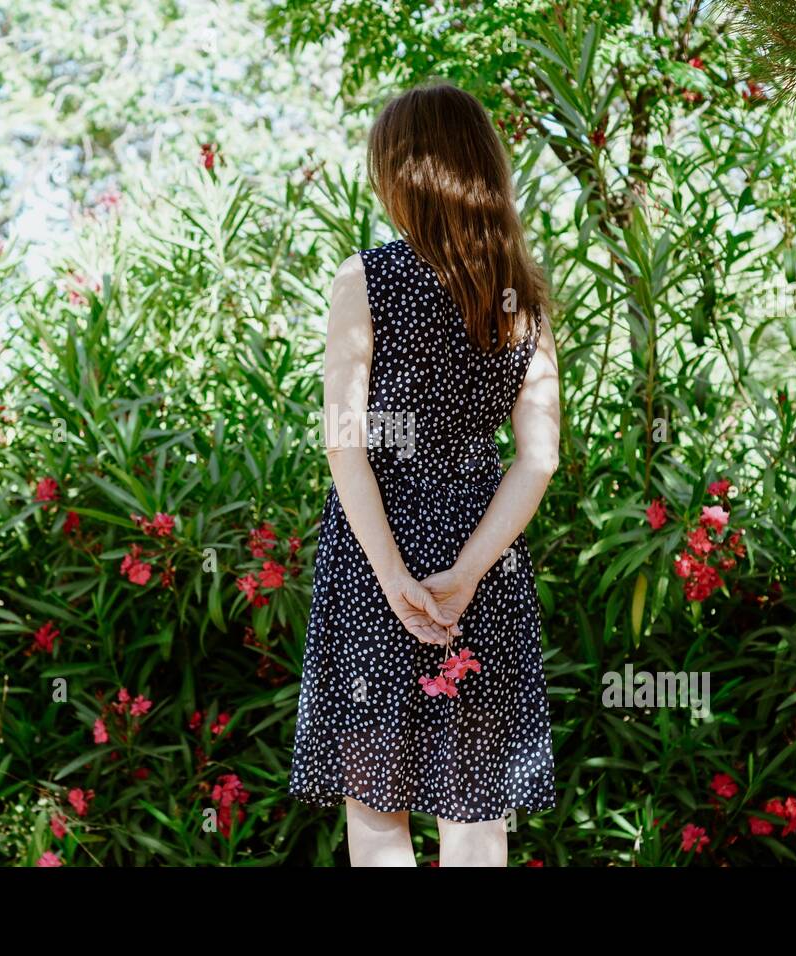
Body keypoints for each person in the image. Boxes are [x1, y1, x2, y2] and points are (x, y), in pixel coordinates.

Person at [288, 81, 561, 867]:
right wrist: (468, 572)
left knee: (377, 807)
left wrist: (391, 577)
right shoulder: (523, 298)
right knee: (474, 806)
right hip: (481, 554)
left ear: (402, 176)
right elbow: (536, 458)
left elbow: (346, 445)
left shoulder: (365, 280)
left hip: (379, 552)